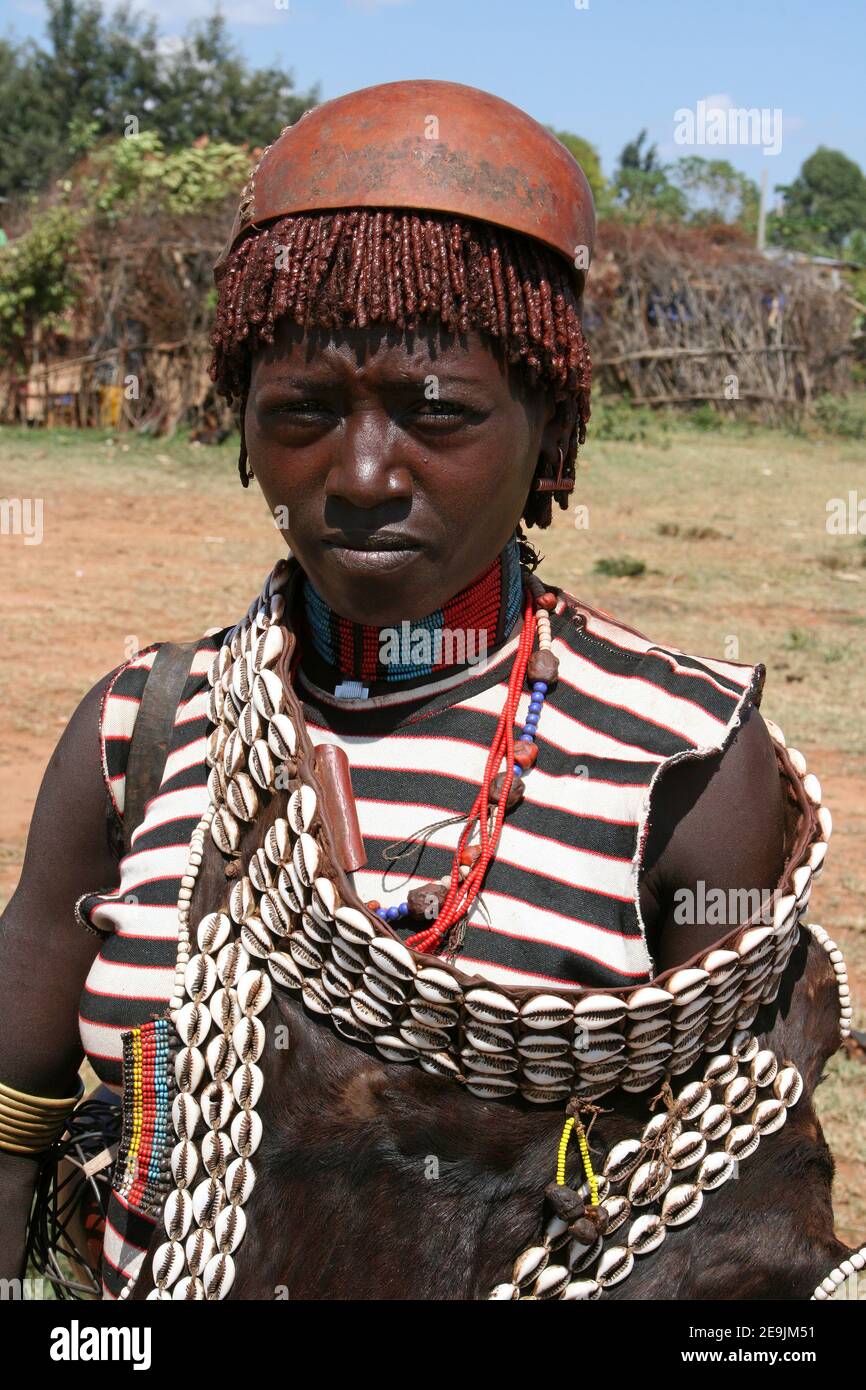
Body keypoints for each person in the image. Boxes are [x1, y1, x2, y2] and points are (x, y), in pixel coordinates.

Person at [0, 80, 857, 1302]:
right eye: (299, 411)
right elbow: (13, 1116)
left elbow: (726, 1232)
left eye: (435, 413)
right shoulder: (137, 730)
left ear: (548, 422)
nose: (357, 473)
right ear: (240, 426)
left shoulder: (686, 764)